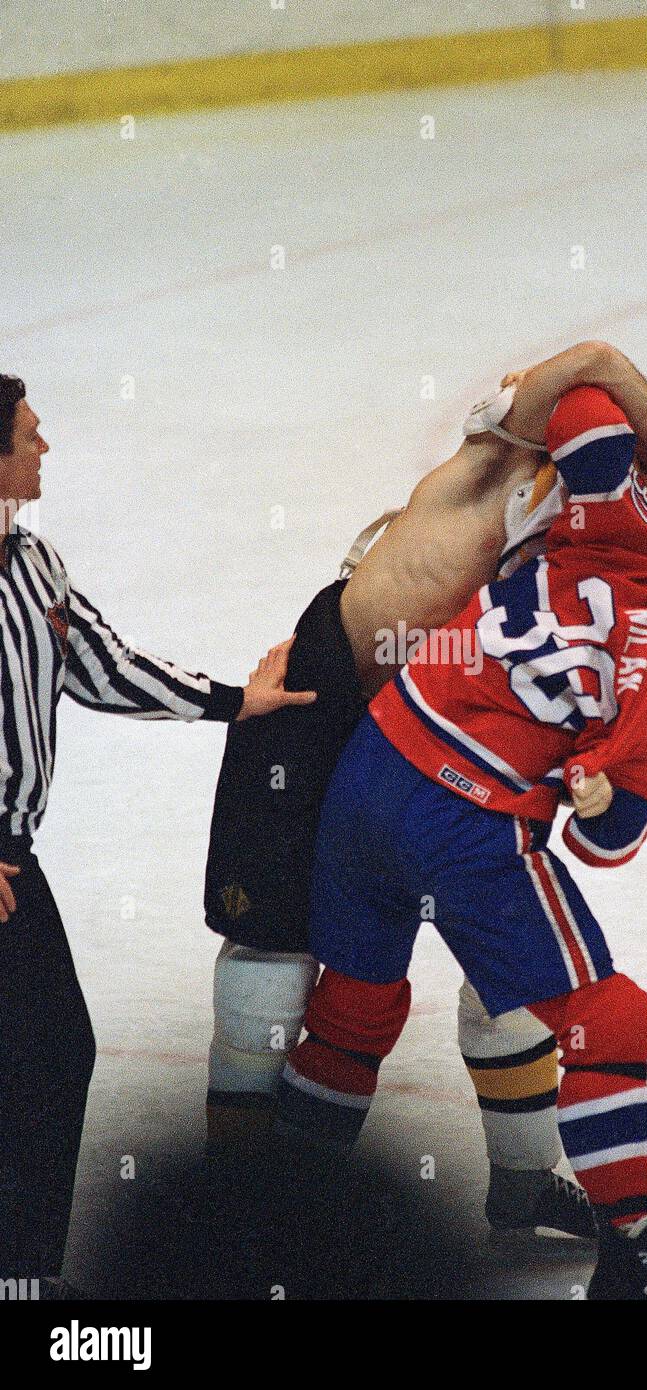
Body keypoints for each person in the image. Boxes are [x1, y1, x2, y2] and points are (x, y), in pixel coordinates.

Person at [203, 344, 647, 1242]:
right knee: (269, 977)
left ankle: (524, 1185)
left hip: (444, 738)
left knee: (508, 987)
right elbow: (594, 364)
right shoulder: (511, 443)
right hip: (331, 695)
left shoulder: (595, 535)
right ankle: (233, 1213)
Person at [0, 374, 314, 1297]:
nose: (45, 448)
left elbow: (101, 664)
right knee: (46, 1053)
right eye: (28, 433)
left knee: (49, 1053)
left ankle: (20, 1277)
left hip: (13, 860)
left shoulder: (31, 562)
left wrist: (234, 703)